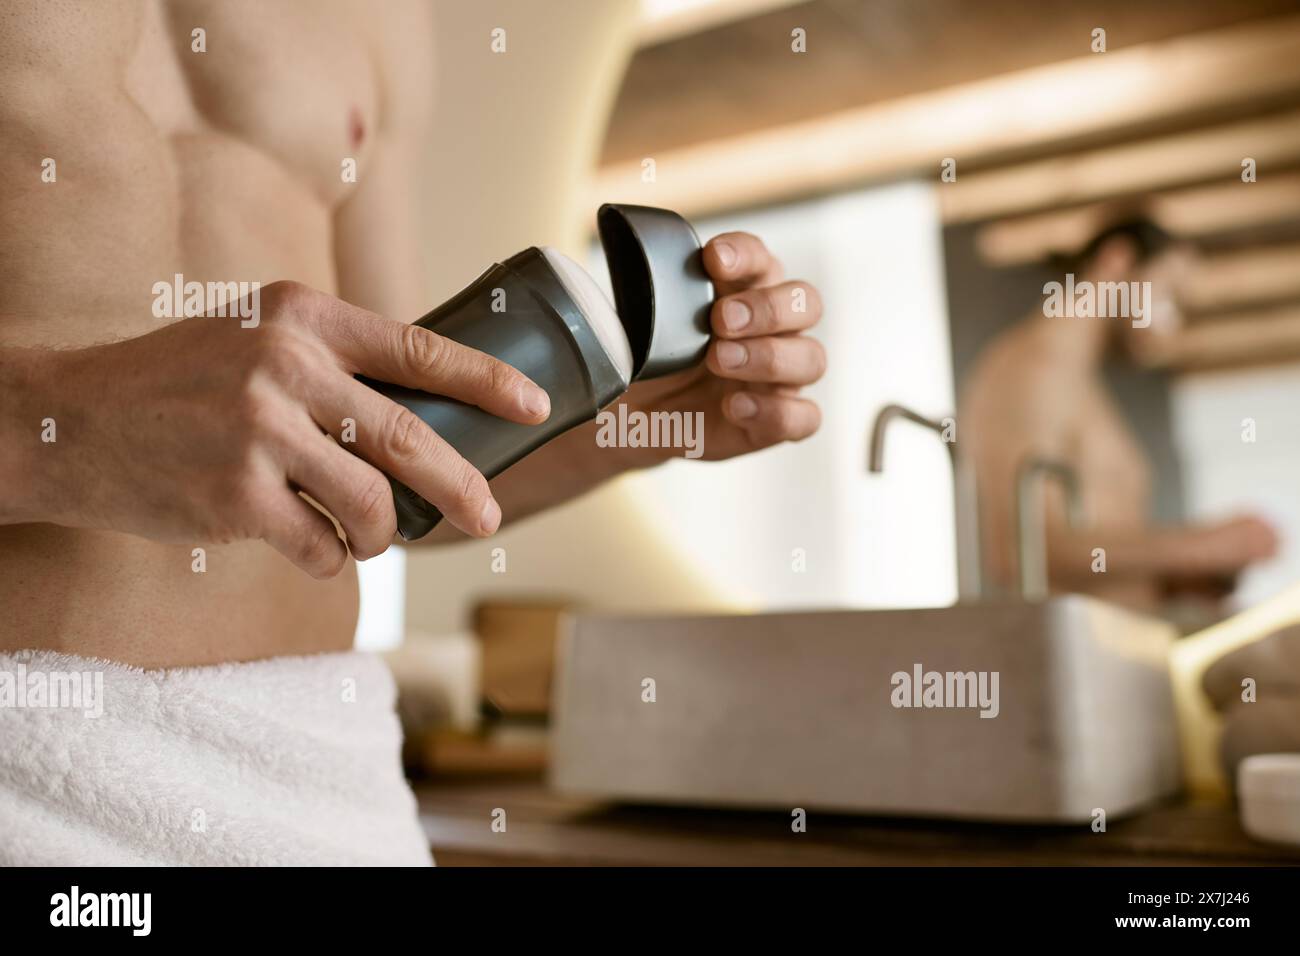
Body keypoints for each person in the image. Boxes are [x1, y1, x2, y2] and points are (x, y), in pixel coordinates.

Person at [0, 1, 825, 864]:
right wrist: (62, 426)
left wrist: (650, 426)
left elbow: (398, 458)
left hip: (316, 773)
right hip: (30, 765)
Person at [961, 218, 1278, 616]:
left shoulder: (1081, 384)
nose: (1173, 324)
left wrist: (1179, 577)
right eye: (1169, 298)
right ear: (1118, 261)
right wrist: (1199, 546)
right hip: (1071, 664)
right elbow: (1018, 551)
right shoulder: (1036, 369)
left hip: (1115, 654)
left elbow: (1090, 553)